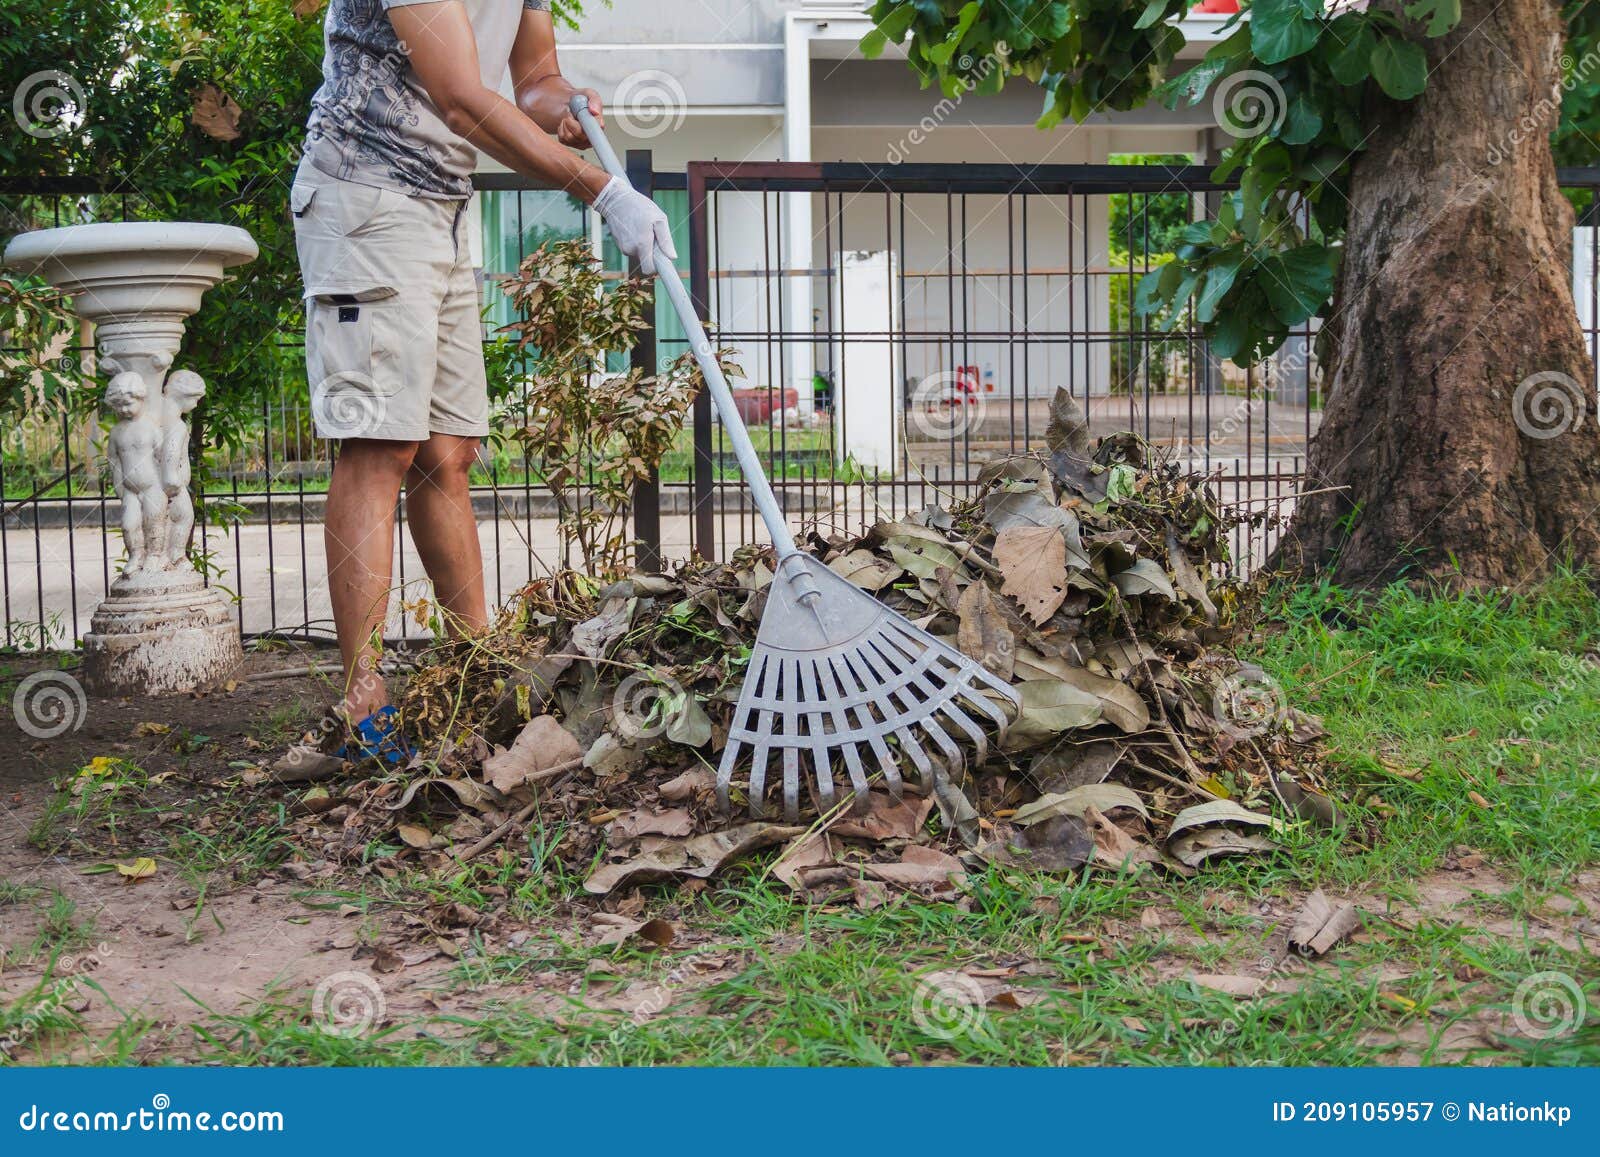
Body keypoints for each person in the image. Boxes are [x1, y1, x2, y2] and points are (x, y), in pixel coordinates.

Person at [292, 0, 673, 759]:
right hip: (364, 193)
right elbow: (462, 98)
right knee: (380, 445)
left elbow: (532, 78)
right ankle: (363, 707)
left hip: (442, 205)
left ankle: (478, 674)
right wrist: (599, 188)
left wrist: (564, 102)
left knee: (449, 451)